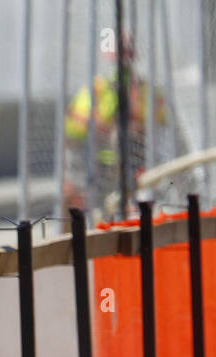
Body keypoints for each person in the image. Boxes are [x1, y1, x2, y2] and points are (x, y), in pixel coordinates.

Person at [63, 39, 167, 221]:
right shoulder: (97, 88)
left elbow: (156, 123)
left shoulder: (143, 89)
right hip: (95, 160)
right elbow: (77, 123)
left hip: (129, 161)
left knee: (130, 201)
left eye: (126, 52)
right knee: (82, 200)